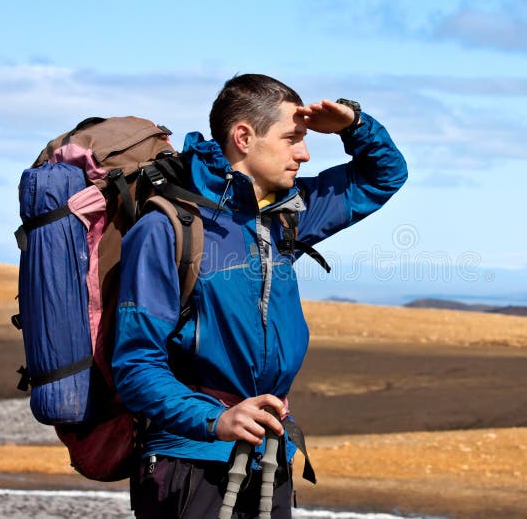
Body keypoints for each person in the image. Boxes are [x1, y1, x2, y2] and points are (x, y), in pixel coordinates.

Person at [112, 73, 408, 518]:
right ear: (244, 137)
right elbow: (135, 366)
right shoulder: (168, 228)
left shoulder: (287, 215)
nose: (304, 154)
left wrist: (354, 124)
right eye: (292, 138)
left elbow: (383, 176)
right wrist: (215, 420)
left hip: (268, 455)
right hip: (191, 462)